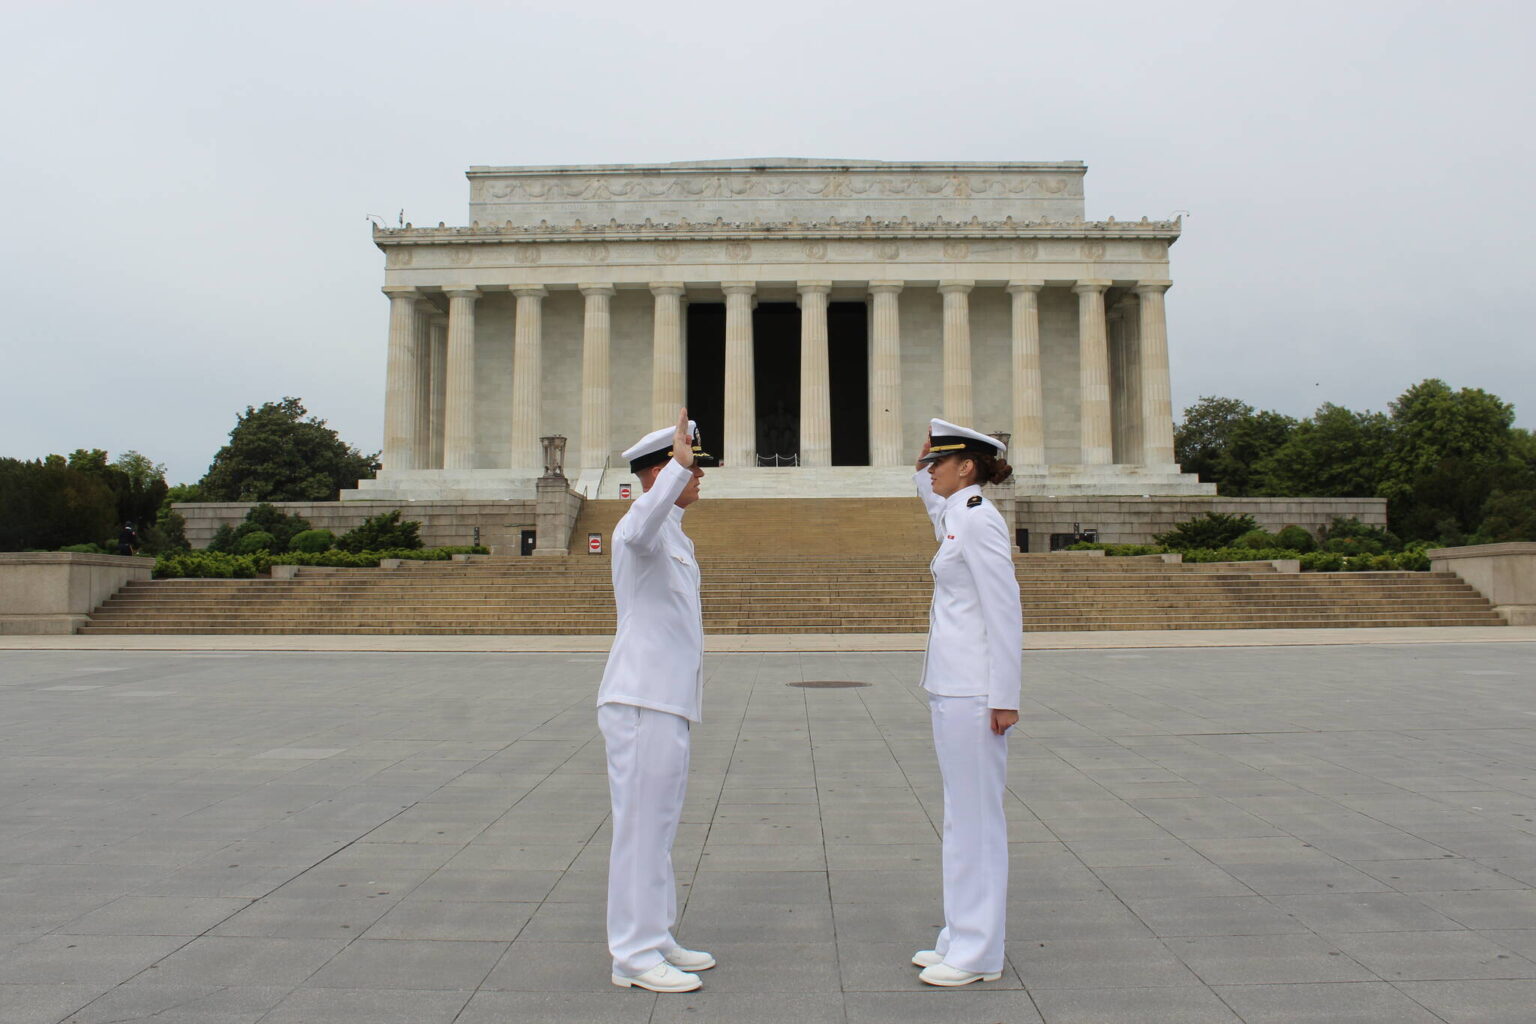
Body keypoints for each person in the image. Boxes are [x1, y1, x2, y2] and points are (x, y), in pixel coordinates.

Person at [597, 408, 717, 994]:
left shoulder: (673, 532)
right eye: (693, 468)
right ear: (659, 473)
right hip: (641, 699)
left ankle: (657, 933)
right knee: (640, 829)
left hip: (665, 700)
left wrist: (675, 472)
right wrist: (675, 469)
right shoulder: (638, 528)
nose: (701, 478)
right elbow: (637, 527)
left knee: (659, 827)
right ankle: (634, 955)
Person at [909, 417, 1023, 987]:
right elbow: (933, 506)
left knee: (977, 819)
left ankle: (979, 951)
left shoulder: (980, 522)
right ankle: (959, 933)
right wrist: (919, 464)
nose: (931, 471)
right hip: (952, 685)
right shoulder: (958, 514)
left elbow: (1004, 610)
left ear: (967, 467)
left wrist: (1005, 696)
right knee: (959, 816)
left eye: (939, 463)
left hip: (977, 691)